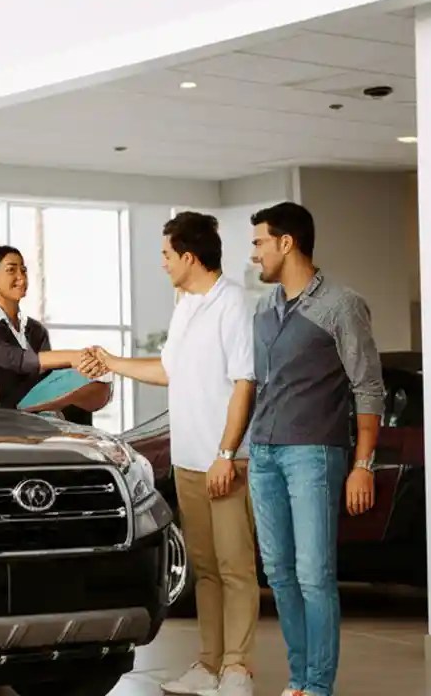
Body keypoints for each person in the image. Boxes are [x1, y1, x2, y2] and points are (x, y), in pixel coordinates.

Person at [80, 212, 258, 696]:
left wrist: (227, 452)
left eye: (165, 255)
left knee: (235, 567)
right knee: (204, 569)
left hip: (227, 460)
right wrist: (111, 361)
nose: (161, 264)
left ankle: (238, 669)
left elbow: (246, 380)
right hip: (188, 459)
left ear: (189, 256)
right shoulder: (186, 306)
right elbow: (167, 371)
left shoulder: (233, 303)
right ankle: (208, 664)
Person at [246, 201, 383, 696]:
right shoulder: (263, 309)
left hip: (314, 455)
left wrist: (362, 464)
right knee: (279, 573)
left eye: (259, 242)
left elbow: (368, 387)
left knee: (314, 574)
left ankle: (319, 685)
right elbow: (261, 383)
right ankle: (299, 679)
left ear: (287, 242)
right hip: (263, 453)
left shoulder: (342, 305)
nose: (254, 254)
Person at [0, 246, 95, 421]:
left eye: (23, 270)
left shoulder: (36, 330)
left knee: (84, 384)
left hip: (34, 416)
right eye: (11, 270)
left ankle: (84, 443)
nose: (21, 278)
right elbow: (14, 359)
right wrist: (73, 357)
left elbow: (47, 377)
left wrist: (84, 365)